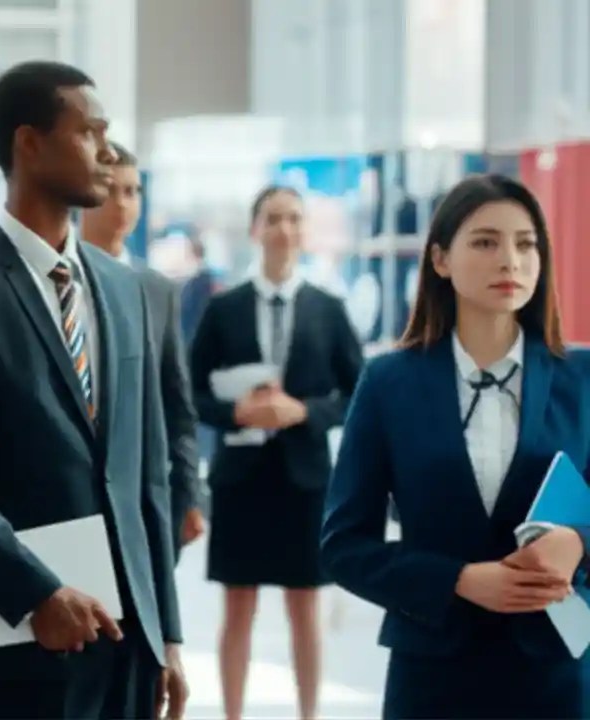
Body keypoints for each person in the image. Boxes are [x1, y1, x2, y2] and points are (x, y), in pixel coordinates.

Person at [0, 60, 188, 720]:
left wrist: (167, 632)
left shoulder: (125, 291)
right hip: (18, 646)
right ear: (29, 144)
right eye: (89, 132)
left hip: (127, 644)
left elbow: (147, 477)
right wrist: (38, 593)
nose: (108, 151)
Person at [321, 174, 590, 719]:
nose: (510, 261)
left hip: (557, 673)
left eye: (525, 243)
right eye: (486, 242)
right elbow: (343, 545)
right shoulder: (389, 383)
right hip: (433, 674)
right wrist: (459, 580)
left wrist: (579, 541)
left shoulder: (582, 377)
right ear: (440, 259)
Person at [188, 185, 363, 720]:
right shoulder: (224, 308)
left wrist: (304, 412)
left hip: (305, 476)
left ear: (304, 231)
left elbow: (356, 395)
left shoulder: (329, 310)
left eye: (293, 219)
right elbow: (191, 392)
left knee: (304, 607)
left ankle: (309, 714)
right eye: (272, 218)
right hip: (240, 476)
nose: (284, 229)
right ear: (254, 229)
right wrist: (235, 413)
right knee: (237, 606)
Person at [77, 140, 204, 557]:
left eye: (131, 191)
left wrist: (188, 492)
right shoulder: (60, 280)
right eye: (110, 189)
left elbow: (176, 402)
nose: (121, 204)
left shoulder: (157, 289)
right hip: (73, 492)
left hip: (142, 492)